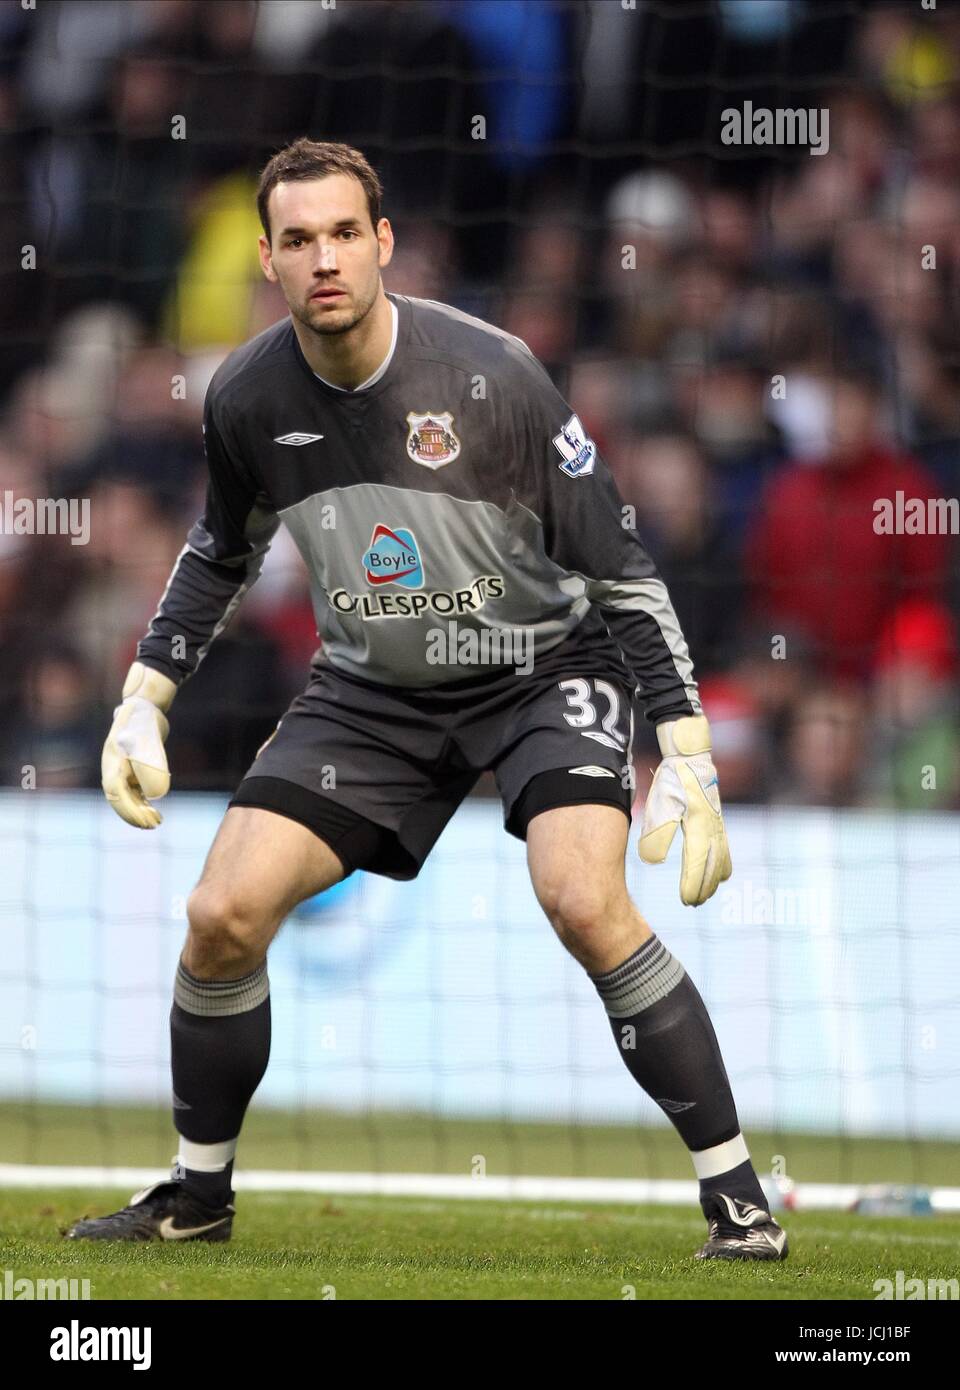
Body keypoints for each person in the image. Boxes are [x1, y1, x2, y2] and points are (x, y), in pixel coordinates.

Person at [66, 139, 786, 1262]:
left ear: (384, 242)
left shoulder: (495, 373)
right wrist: (143, 697)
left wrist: (684, 747)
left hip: (543, 668)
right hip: (373, 693)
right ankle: (197, 1196)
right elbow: (220, 551)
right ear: (266, 258)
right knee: (219, 917)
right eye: (298, 240)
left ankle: (740, 1202)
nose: (324, 259)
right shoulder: (248, 397)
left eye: (345, 233)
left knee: (584, 900)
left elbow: (621, 565)